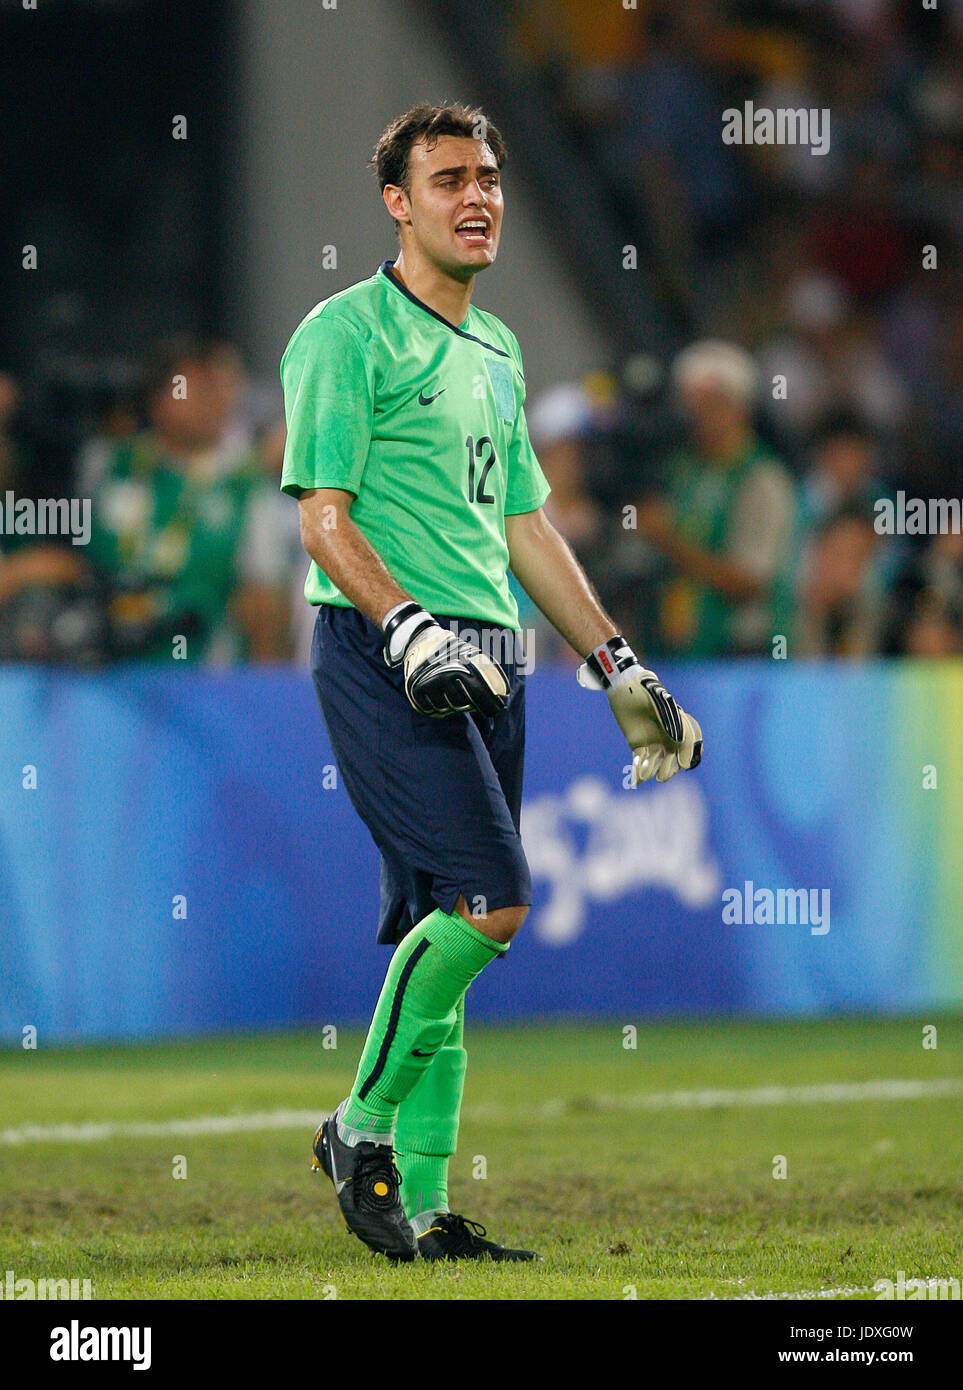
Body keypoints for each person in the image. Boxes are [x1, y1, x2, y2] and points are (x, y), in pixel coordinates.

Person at [280, 102, 704, 1264]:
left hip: (494, 657)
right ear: (397, 203)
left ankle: (421, 1211)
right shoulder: (344, 334)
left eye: (491, 178)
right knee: (492, 903)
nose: (478, 197)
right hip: (386, 652)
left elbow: (522, 523)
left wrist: (614, 660)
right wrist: (406, 624)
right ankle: (355, 1128)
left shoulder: (500, 347)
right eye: (450, 178)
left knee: (445, 932)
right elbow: (325, 519)